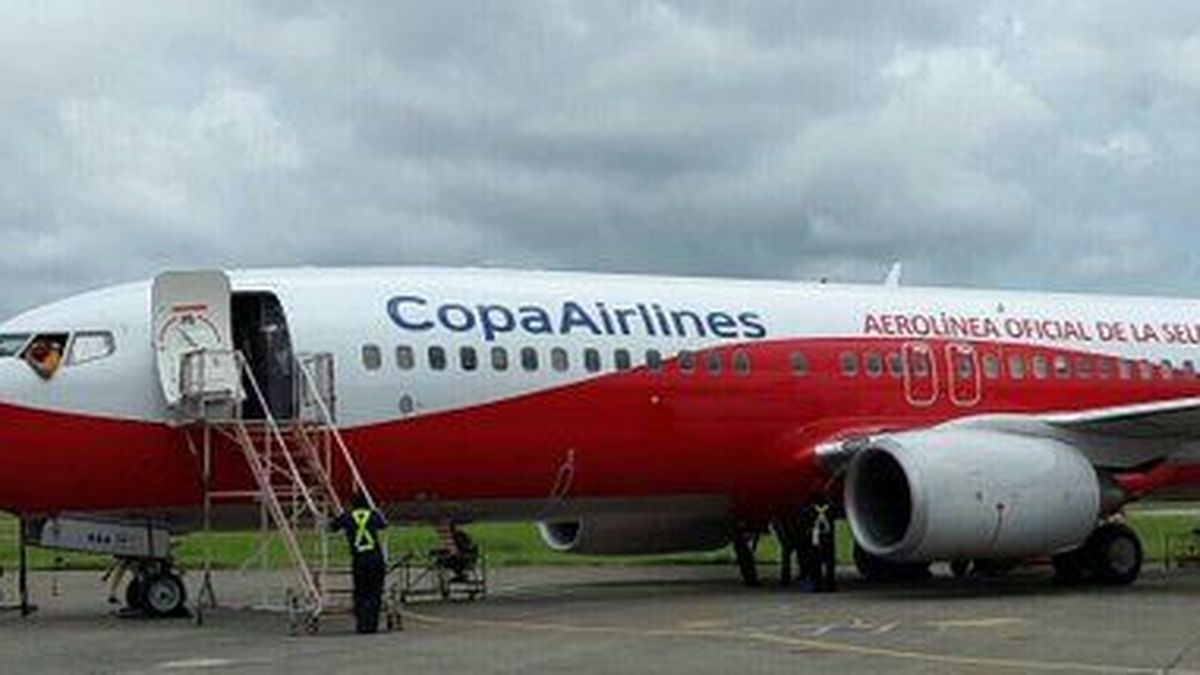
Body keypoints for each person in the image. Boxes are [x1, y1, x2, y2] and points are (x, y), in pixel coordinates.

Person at [331, 492, 387, 633]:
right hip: (375, 558)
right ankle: (372, 625)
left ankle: (362, 624)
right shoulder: (373, 514)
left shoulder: (348, 516)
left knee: (361, 592)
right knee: (375, 592)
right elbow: (383, 525)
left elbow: (333, 527)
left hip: (359, 559)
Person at [811, 502, 836, 592]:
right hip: (818, 538)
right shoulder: (813, 509)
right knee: (818, 563)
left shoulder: (829, 509)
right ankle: (819, 584)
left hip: (826, 537)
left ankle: (828, 584)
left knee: (827, 563)